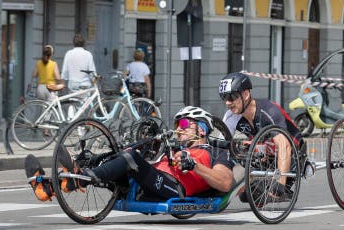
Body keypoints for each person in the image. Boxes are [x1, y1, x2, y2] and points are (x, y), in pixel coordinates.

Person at [25, 106, 234, 202]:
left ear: (203, 129)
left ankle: (81, 179)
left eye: (186, 123)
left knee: (131, 158)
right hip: (150, 182)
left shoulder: (216, 152)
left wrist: (194, 165)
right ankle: (49, 187)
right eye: (178, 123)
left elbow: (225, 183)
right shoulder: (177, 148)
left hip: (175, 188)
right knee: (118, 155)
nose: (180, 128)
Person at [219, 72, 304, 200]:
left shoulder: (268, 111)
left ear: (246, 94)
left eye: (231, 97)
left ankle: (285, 187)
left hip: (293, 149)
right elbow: (222, 144)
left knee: (272, 191)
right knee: (247, 196)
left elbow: (284, 146)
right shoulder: (231, 116)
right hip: (266, 153)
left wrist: (280, 183)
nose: (227, 102)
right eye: (224, 97)